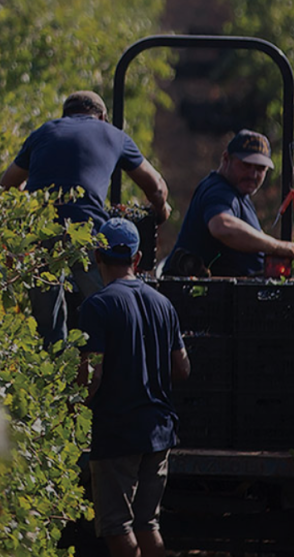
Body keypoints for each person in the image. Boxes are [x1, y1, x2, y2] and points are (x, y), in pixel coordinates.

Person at [0, 90, 171, 347]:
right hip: (86, 232)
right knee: (107, 306)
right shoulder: (113, 134)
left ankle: (55, 375)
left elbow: (6, 185)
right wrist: (161, 209)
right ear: (102, 117)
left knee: (48, 322)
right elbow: (156, 186)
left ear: (65, 116)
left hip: (38, 231)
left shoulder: (43, 132)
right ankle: (112, 366)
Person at [78, 217, 190, 557]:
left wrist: (72, 408)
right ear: (137, 259)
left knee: (117, 528)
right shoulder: (162, 304)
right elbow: (182, 369)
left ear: (98, 256)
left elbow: (92, 376)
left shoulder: (96, 307)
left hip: (117, 434)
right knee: (147, 524)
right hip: (158, 432)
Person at [171, 130, 294, 277]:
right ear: (226, 159)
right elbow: (221, 226)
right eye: (246, 165)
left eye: (260, 168)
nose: (253, 175)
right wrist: (276, 246)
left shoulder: (240, 195)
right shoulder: (218, 190)